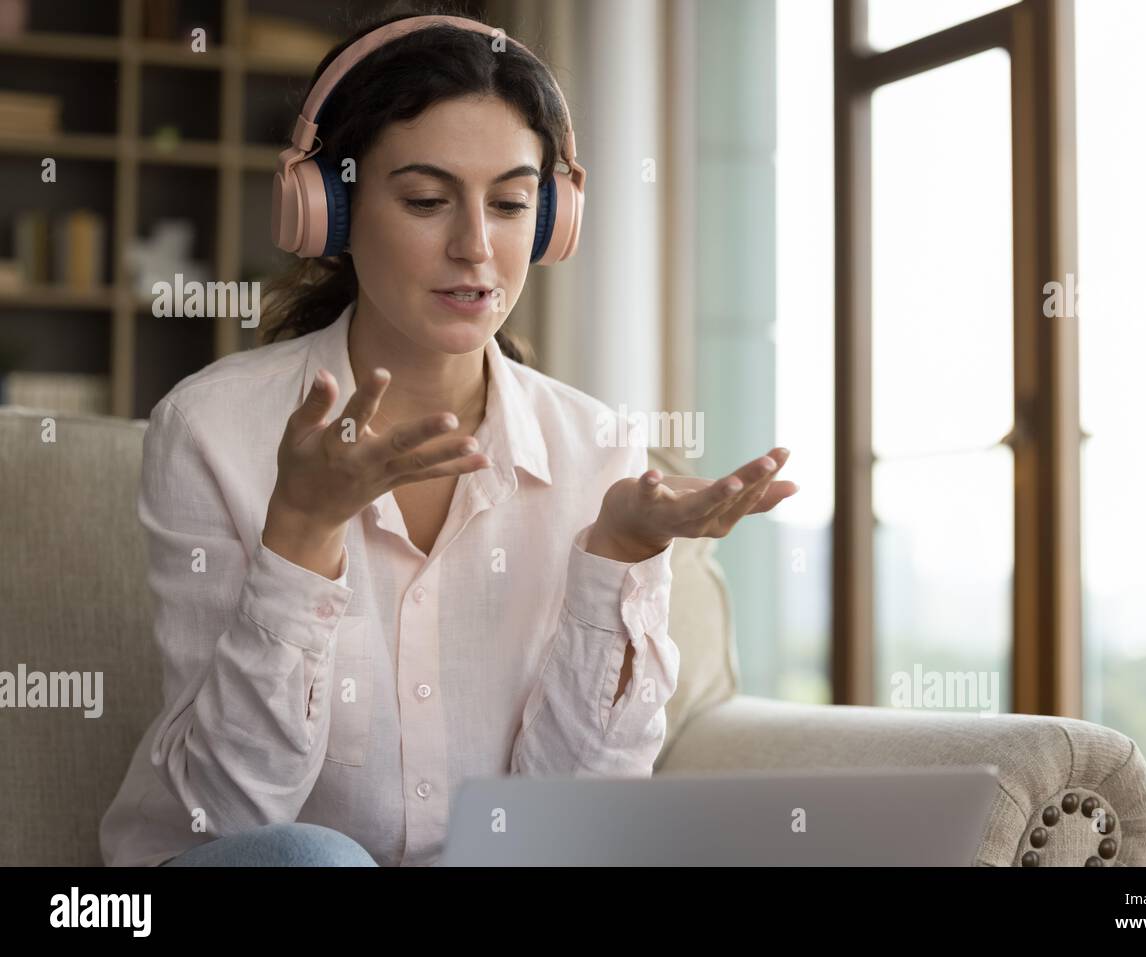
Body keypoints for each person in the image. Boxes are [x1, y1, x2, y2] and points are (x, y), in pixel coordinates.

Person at [99, 6, 796, 867]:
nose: (475, 245)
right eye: (427, 200)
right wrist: (301, 536)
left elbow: (563, 833)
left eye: (510, 203)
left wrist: (617, 553)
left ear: (550, 222)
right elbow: (230, 810)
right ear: (332, 211)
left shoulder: (595, 448)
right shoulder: (210, 429)